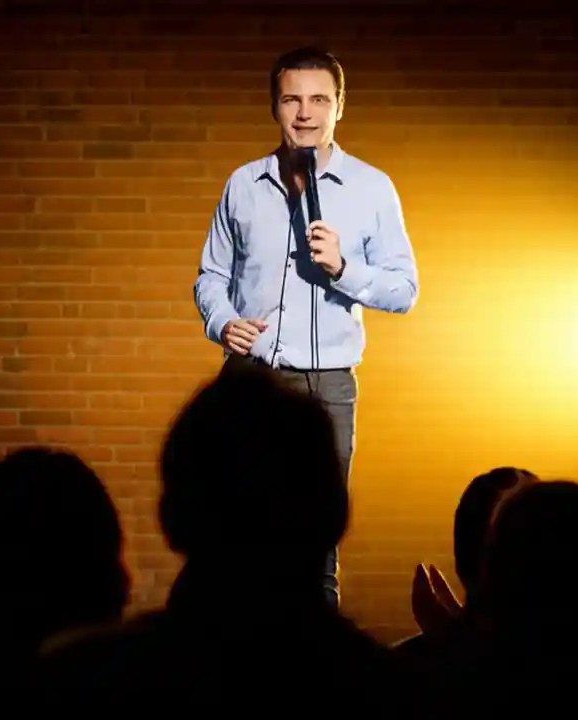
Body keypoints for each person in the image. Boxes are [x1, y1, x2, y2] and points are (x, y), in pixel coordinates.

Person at [193, 46, 419, 606]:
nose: (305, 112)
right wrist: (222, 321)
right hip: (253, 380)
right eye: (292, 98)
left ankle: (314, 679)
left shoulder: (371, 187)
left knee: (315, 544)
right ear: (275, 106)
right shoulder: (245, 184)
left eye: (319, 99)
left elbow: (404, 291)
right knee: (235, 532)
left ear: (339, 107)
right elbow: (210, 276)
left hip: (330, 386)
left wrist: (344, 268)